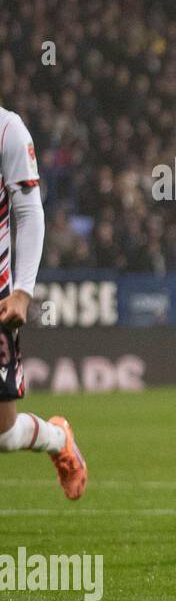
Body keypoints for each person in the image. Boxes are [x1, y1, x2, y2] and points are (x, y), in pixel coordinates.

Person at [0, 104, 87, 498]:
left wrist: (23, 290)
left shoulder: (8, 130)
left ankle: (58, 439)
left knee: (3, 434)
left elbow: (29, 212)